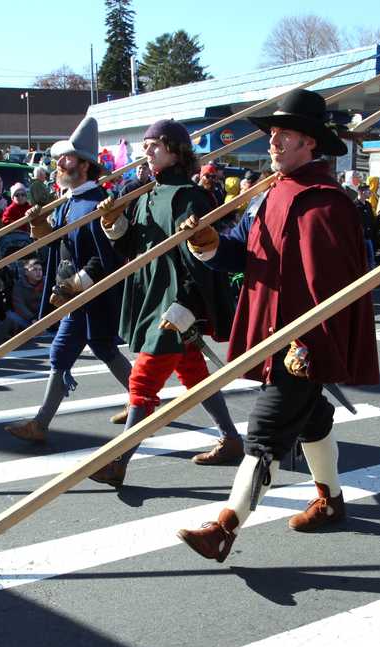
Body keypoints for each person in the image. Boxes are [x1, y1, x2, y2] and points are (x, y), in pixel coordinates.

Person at [174, 88, 379, 560]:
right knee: (312, 418)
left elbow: (335, 289)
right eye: (272, 134)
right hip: (272, 332)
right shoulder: (269, 194)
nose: (273, 142)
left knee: (265, 429)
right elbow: (240, 255)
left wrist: (311, 342)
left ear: (310, 143)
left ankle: (225, 527)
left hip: (304, 342)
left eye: (284, 135)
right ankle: (330, 502)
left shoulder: (329, 204)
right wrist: (205, 242)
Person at [88, 118, 243, 487]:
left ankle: (119, 460)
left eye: (154, 145)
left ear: (175, 150)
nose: (147, 151)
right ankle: (232, 439)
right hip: (151, 294)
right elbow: (132, 250)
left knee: (142, 380)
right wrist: (113, 222)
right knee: (193, 371)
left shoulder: (192, 197)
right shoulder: (143, 194)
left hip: (175, 301)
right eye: (145, 145)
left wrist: (186, 306)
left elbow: (201, 261)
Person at [3, 117, 134, 443]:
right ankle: (141, 400)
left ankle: (41, 424)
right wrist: (38, 224)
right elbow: (55, 244)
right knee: (91, 350)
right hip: (73, 295)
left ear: (86, 166)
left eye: (68, 158)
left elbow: (105, 256)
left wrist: (75, 284)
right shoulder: (67, 202)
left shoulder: (96, 203)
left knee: (78, 351)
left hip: (92, 294)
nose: (60, 162)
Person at [0, 182, 33, 259]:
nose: (20, 197)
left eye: (23, 194)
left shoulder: (30, 207)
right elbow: (5, 221)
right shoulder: (10, 209)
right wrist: (16, 224)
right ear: (12, 198)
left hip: (30, 240)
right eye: (17, 195)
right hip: (15, 241)